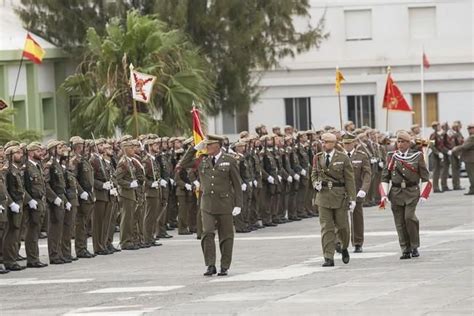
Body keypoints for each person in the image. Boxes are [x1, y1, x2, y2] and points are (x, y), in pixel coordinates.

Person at [178, 134, 243, 276]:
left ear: (217, 145)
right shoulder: (202, 160)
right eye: (205, 145)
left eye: (208, 145)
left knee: (226, 235)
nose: (206, 147)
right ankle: (210, 264)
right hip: (206, 203)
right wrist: (194, 148)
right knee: (207, 233)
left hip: (225, 203)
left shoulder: (229, 160)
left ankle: (224, 265)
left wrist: (238, 204)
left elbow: (237, 184)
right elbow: (182, 164)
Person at [380, 131, 430, 259]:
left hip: (412, 191)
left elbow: (425, 176)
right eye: (398, 141)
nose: (400, 144)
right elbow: (385, 177)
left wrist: (424, 194)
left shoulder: (417, 156)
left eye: (403, 142)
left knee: (409, 218)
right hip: (396, 193)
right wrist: (384, 194)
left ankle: (414, 245)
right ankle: (405, 249)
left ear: (408, 143)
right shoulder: (391, 156)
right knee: (399, 222)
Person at [311, 133, 356, 267]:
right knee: (326, 228)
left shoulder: (343, 158)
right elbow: (314, 174)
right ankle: (328, 256)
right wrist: (315, 183)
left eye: (326, 142)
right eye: (322, 142)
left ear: (333, 143)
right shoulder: (318, 158)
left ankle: (344, 247)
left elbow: (349, 179)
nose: (323, 145)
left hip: (339, 196)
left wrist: (352, 198)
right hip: (323, 196)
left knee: (343, 227)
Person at [341, 133, 371, 253]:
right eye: (345, 144)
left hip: (357, 190)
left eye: (349, 143)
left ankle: (357, 242)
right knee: (340, 218)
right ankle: (340, 242)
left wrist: (364, 189)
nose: (347, 146)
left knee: (357, 218)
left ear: (354, 143)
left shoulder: (361, 156)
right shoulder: (338, 156)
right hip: (341, 191)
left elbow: (367, 174)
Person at [23, 142, 48, 268]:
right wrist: (29, 200)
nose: (41, 153)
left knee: (36, 231)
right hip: (32, 202)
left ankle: (35, 257)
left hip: (40, 201)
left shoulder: (37, 166)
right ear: (31, 152)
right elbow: (22, 187)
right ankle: (32, 259)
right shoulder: (26, 167)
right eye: (38, 151)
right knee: (31, 232)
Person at [452, 123, 474, 195]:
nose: (469, 130)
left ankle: (472, 190)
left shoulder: (472, 137)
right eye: (469, 129)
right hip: (470, 158)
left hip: (470, 159)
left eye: (471, 128)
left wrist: (455, 148)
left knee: (471, 175)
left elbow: (465, 146)